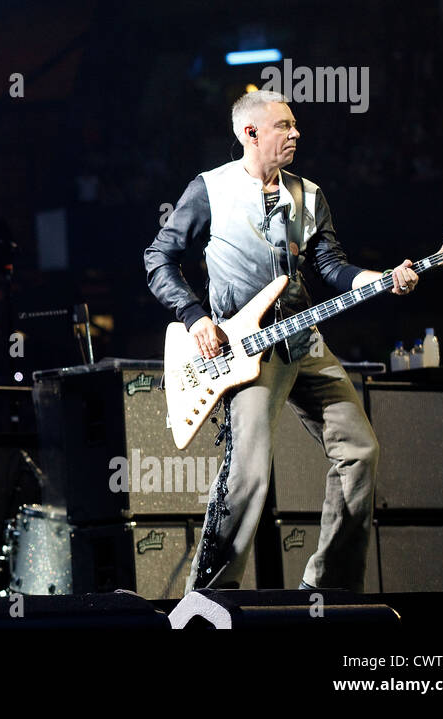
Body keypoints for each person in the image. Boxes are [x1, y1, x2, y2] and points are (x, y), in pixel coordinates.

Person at [144, 89, 417, 592]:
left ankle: (331, 587)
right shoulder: (210, 189)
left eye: (295, 125)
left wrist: (381, 277)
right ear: (249, 133)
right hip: (242, 349)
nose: (296, 133)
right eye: (284, 126)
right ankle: (208, 598)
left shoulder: (309, 194)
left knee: (359, 451)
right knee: (247, 475)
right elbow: (158, 258)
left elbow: (331, 268)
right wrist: (194, 318)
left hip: (304, 340)